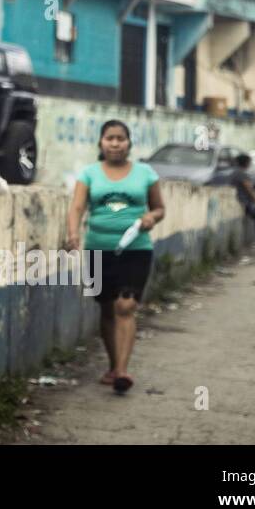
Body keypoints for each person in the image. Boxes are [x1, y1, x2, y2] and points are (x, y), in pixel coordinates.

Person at [65, 120, 165, 395]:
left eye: (121, 138)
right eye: (110, 138)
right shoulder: (89, 174)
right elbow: (77, 207)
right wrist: (73, 234)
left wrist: (151, 217)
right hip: (98, 249)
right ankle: (112, 366)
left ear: (129, 143)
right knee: (107, 308)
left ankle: (122, 371)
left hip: (136, 249)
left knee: (126, 305)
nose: (115, 143)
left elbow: (159, 208)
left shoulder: (145, 173)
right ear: (101, 142)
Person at [231, 153, 255, 244]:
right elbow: (249, 190)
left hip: (241, 200)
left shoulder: (235, 172)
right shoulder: (242, 174)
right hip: (244, 201)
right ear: (246, 163)